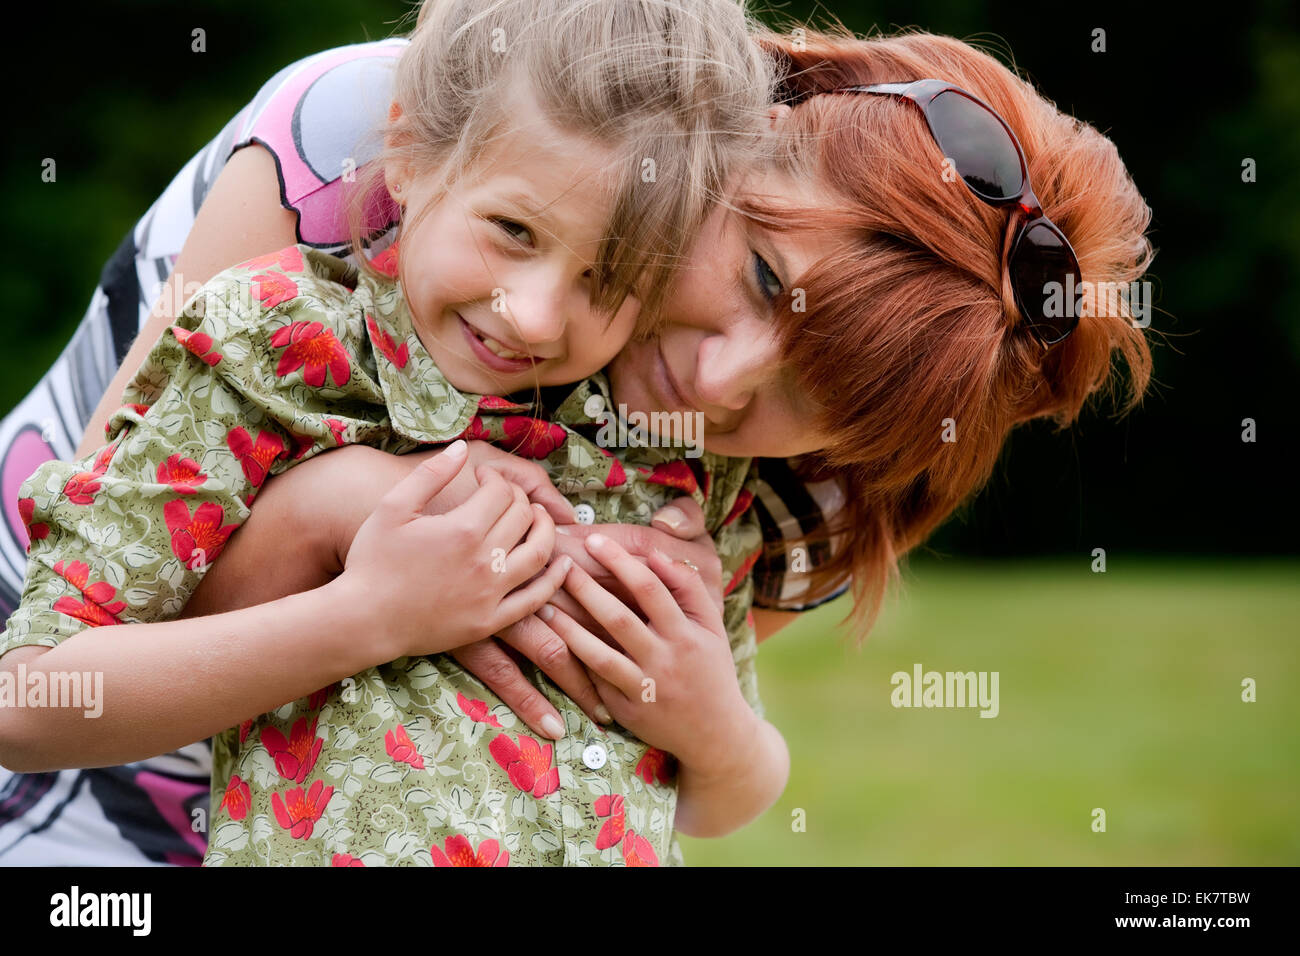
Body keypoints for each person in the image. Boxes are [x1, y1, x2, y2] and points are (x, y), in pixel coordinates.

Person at [0, 18, 1154, 865]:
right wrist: (332, 509)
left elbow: (653, 749)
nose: (715, 380)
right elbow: (78, 646)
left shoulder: (791, 477)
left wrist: (709, 718)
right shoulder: (426, 130)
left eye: (816, 392)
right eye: (761, 275)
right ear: (749, 138)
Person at [0, 0, 788, 866]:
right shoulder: (277, 353)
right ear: (409, 155)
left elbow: (711, 797)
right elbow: (28, 702)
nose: (531, 316)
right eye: (513, 231)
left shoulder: (667, 456)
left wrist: (712, 722)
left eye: (608, 278)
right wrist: (368, 615)